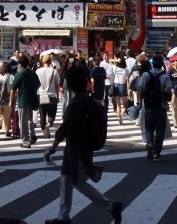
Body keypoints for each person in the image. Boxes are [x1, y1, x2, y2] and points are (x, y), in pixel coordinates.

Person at [42, 63, 123, 224]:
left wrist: (51, 149)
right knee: (66, 179)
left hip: (77, 149)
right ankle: (63, 216)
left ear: (70, 85)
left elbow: (64, 129)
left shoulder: (76, 104)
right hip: (79, 147)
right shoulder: (87, 101)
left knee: (78, 182)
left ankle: (111, 206)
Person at [134, 54, 174, 162]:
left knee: (149, 127)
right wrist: (167, 98)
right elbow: (169, 91)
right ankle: (157, 153)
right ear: (161, 64)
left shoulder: (146, 75)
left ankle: (150, 142)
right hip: (161, 107)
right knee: (160, 130)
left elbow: (140, 88)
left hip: (148, 106)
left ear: (152, 64)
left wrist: (138, 102)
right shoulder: (165, 76)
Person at [12, 52, 41, 147]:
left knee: (23, 121)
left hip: (23, 99)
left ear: (20, 64)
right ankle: (33, 135)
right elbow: (38, 84)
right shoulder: (33, 73)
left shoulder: (19, 74)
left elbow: (13, 89)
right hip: (32, 98)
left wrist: (10, 102)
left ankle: (26, 141)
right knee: (29, 119)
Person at [37, 54, 62, 139]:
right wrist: (58, 96)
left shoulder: (38, 71)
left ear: (42, 61)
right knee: (52, 114)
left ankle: (44, 132)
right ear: (50, 61)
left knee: (42, 114)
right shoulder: (54, 71)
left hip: (41, 95)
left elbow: (36, 84)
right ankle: (49, 124)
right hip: (52, 95)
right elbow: (56, 85)